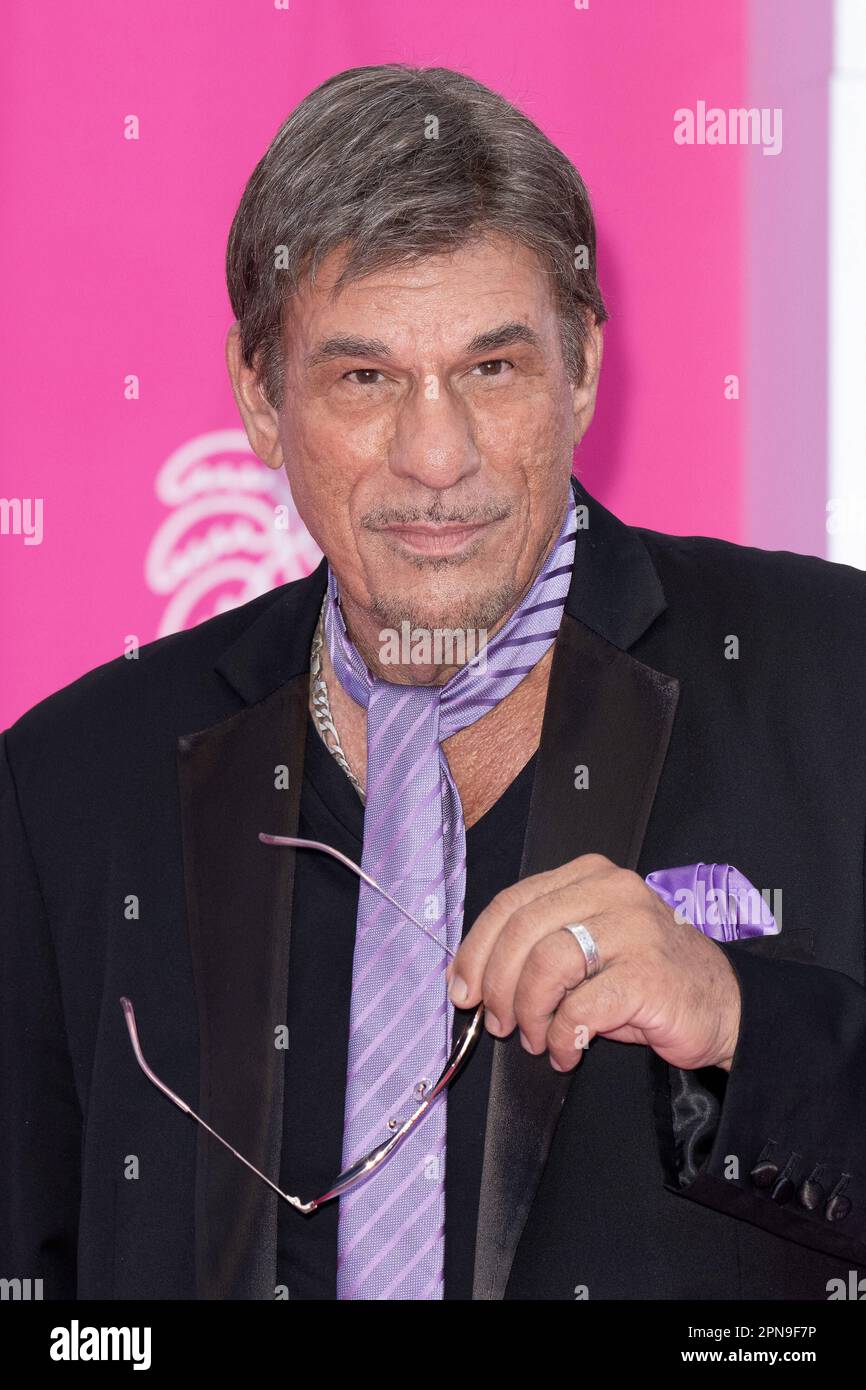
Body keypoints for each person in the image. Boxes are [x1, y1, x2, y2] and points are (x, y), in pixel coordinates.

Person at [1, 64, 864, 1302]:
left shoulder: (835, 679)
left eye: (492, 369)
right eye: (364, 379)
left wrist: (739, 1019)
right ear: (261, 394)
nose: (436, 455)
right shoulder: (70, 785)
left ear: (578, 372)